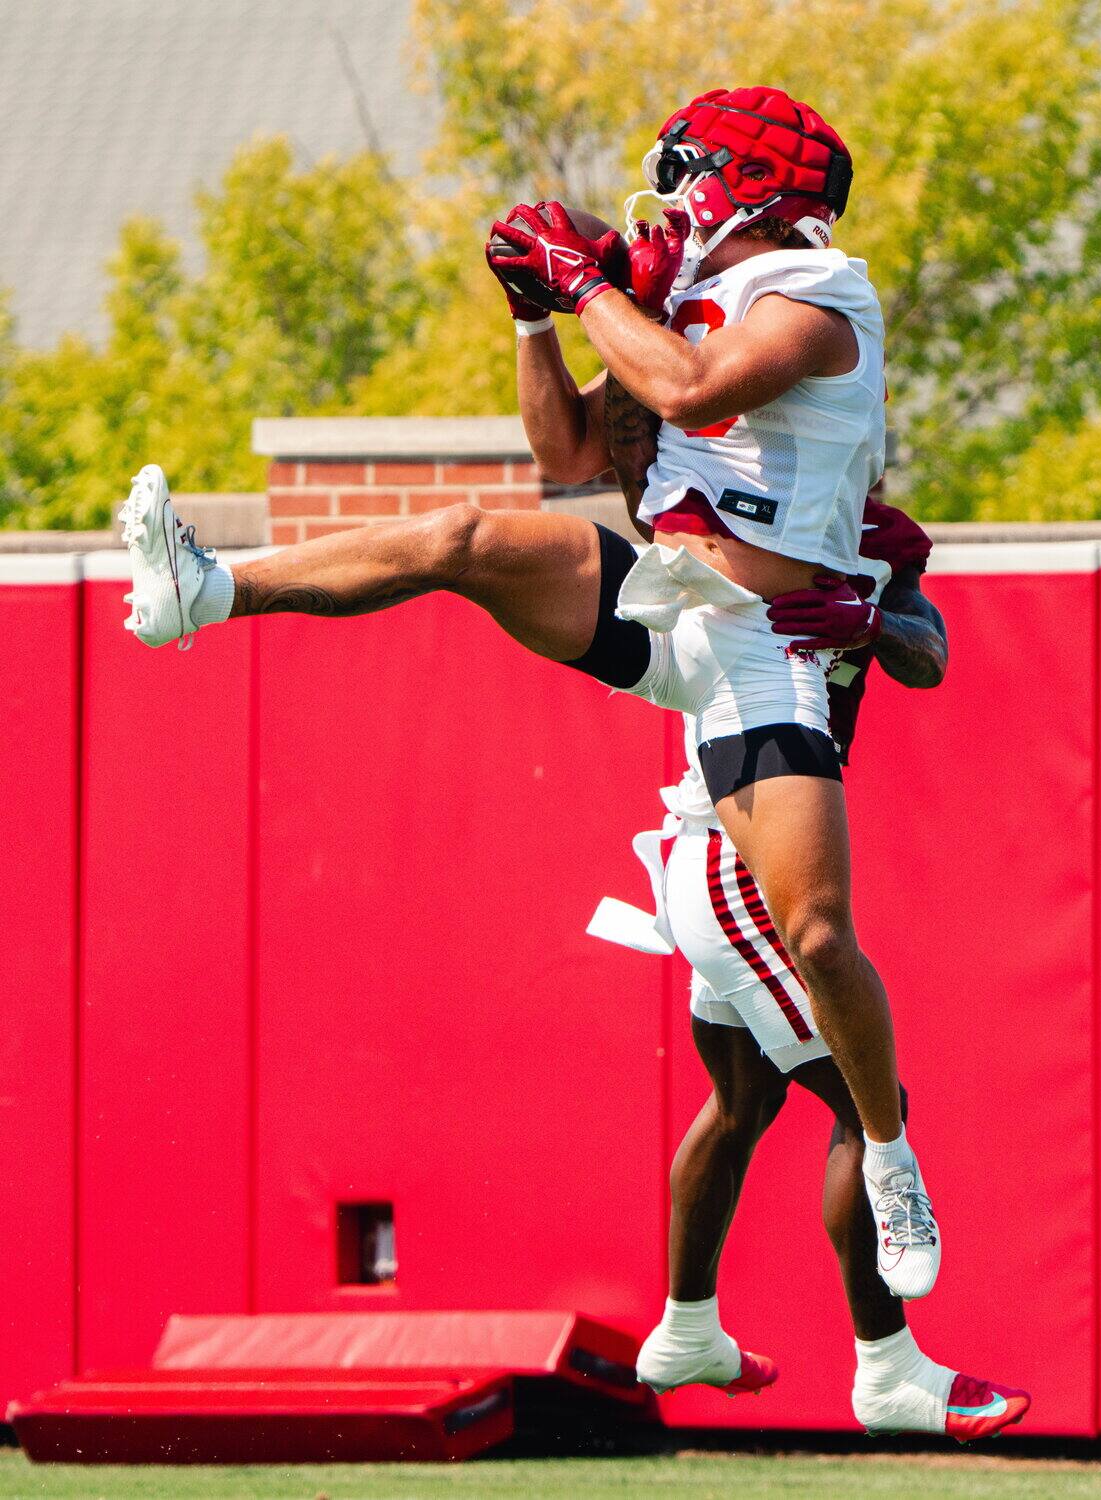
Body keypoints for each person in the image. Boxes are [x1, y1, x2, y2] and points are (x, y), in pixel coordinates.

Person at [123, 86, 938, 1355]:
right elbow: (567, 445)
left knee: (823, 936)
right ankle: (206, 588)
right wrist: (532, 315)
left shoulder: (822, 290)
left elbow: (689, 390)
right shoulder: (671, 301)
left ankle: (890, 1157)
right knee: (464, 538)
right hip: (674, 602)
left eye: (688, 176)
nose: (664, 203)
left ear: (749, 186)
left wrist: (581, 283)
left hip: (767, 645)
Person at [584, 493, 1028, 1438]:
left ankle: (685, 1328)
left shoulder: (876, 536)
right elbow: (643, 496)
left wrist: (870, 619)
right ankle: (888, 1367)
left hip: (726, 854)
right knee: (874, 1105)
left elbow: (929, 654)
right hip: (734, 858)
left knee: (744, 1101)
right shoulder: (717, 512)